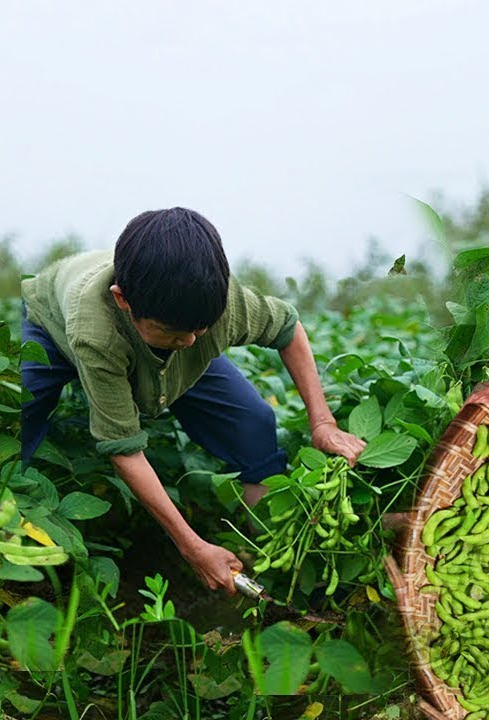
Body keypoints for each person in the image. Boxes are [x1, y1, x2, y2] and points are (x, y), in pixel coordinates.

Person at [20, 207, 366, 595]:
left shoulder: (214, 310)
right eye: (174, 332)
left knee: (252, 422)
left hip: (157, 325)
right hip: (52, 321)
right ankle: (12, 533)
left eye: (201, 330)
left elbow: (288, 329)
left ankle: (276, 547)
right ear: (123, 301)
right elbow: (124, 449)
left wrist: (323, 423)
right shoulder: (95, 332)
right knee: (22, 417)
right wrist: (192, 545)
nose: (189, 342)